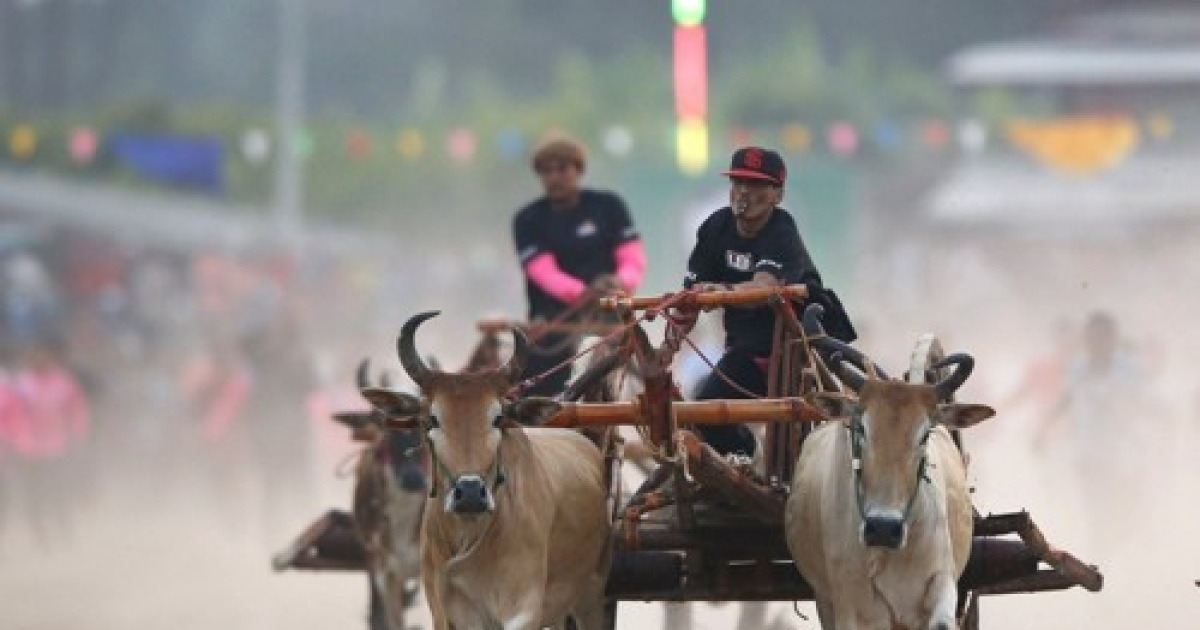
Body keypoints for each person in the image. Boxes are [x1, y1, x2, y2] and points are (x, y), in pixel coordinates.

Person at [677, 146, 854, 458]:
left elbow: (764, 288)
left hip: (801, 353)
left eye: (757, 184)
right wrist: (667, 347)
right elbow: (689, 297)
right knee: (700, 414)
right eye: (738, 182)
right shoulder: (715, 228)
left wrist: (719, 290)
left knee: (827, 426)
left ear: (778, 195)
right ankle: (747, 457)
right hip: (745, 353)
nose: (744, 191)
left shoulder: (782, 231)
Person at [512, 136, 646, 396]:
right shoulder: (527, 219)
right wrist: (584, 293)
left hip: (611, 318)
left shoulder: (609, 206)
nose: (555, 177)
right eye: (547, 171)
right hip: (554, 327)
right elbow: (542, 271)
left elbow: (632, 259)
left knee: (652, 380)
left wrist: (619, 284)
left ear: (578, 169)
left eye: (562, 169)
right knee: (529, 393)